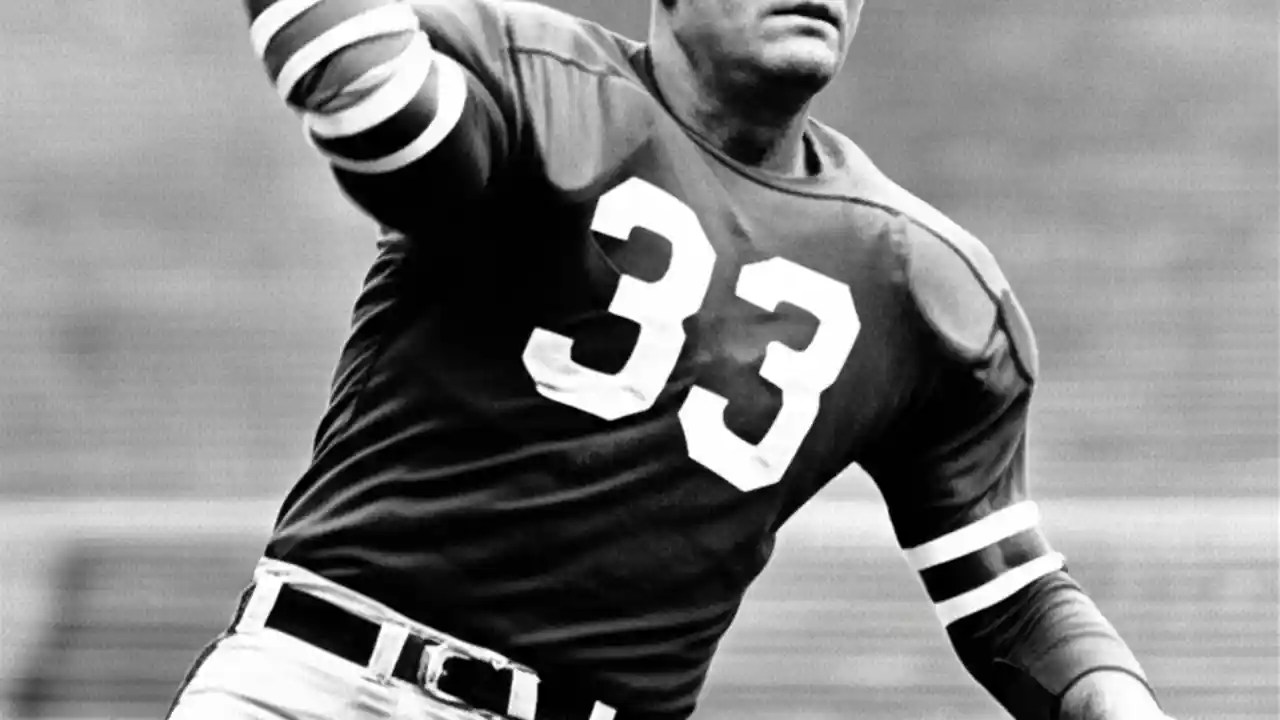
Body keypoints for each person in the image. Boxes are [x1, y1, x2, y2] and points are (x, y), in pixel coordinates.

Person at [167, 1, 1173, 718]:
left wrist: (1117, 701)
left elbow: (1009, 598)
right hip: (320, 677)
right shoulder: (541, 83)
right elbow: (377, 106)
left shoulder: (920, 284)